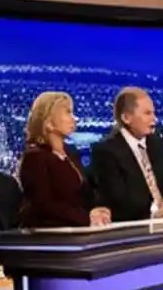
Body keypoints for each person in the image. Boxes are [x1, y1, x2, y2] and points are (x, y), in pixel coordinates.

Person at [89, 87, 163, 222]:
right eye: (147, 113)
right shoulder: (106, 151)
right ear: (126, 118)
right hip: (135, 226)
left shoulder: (155, 143)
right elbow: (118, 201)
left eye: (153, 113)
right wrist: (155, 213)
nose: (154, 119)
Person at [17, 92, 110, 228]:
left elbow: (80, 199)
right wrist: (86, 218)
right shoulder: (35, 158)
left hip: (74, 230)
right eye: (68, 113)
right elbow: (43, 207)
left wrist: (96, 211)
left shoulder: (70, 155)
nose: (74, 119)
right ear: (49, 123)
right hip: (48, 237)